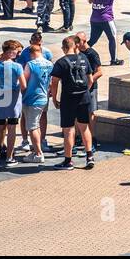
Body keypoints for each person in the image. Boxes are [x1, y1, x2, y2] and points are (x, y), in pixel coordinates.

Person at [48, 35, 95, 170]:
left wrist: (54, 98)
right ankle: (89, 156)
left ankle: (68, 161)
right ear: (75, 46)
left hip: (68, 98)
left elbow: (54, 82)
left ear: (63, 48)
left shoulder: (61, 62)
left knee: (68, 129)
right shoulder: (84, 59)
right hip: (84, 97)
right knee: (84, 127)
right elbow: (90, 79)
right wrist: (85, 91)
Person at [0, 39, 26, 167]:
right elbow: (23, 85)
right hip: (13, 100)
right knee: (12, 127)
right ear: (9, 52)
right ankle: (9, 157)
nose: (16, 53)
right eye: (14, 50)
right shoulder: (17, 66)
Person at [87, 0, 122, 65]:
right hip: (106, 19)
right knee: (112, 38)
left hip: (94, 19)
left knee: (92, 40)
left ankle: (80, 53)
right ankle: (114, 60)